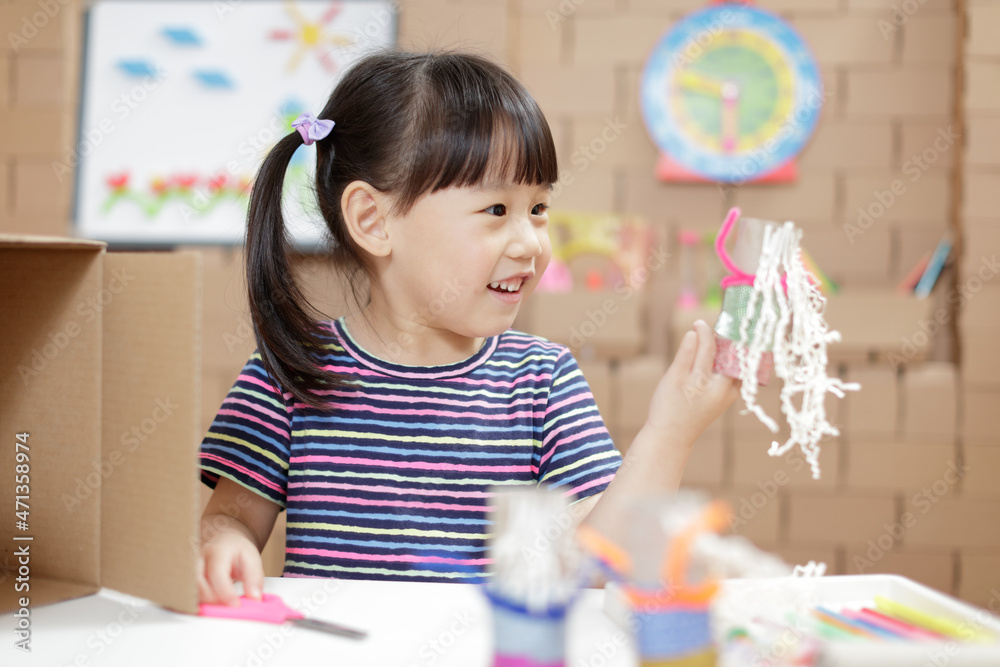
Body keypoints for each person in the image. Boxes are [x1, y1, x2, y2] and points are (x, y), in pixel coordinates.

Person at [197, 49, 738, 605]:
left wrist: (671, 431)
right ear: (373, 220)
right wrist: (223, 544)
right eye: (496, 210)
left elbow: (603, 560)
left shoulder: (541, 380)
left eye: (539, 208)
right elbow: (227, 521)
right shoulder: (291, 372)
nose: (530, 243)